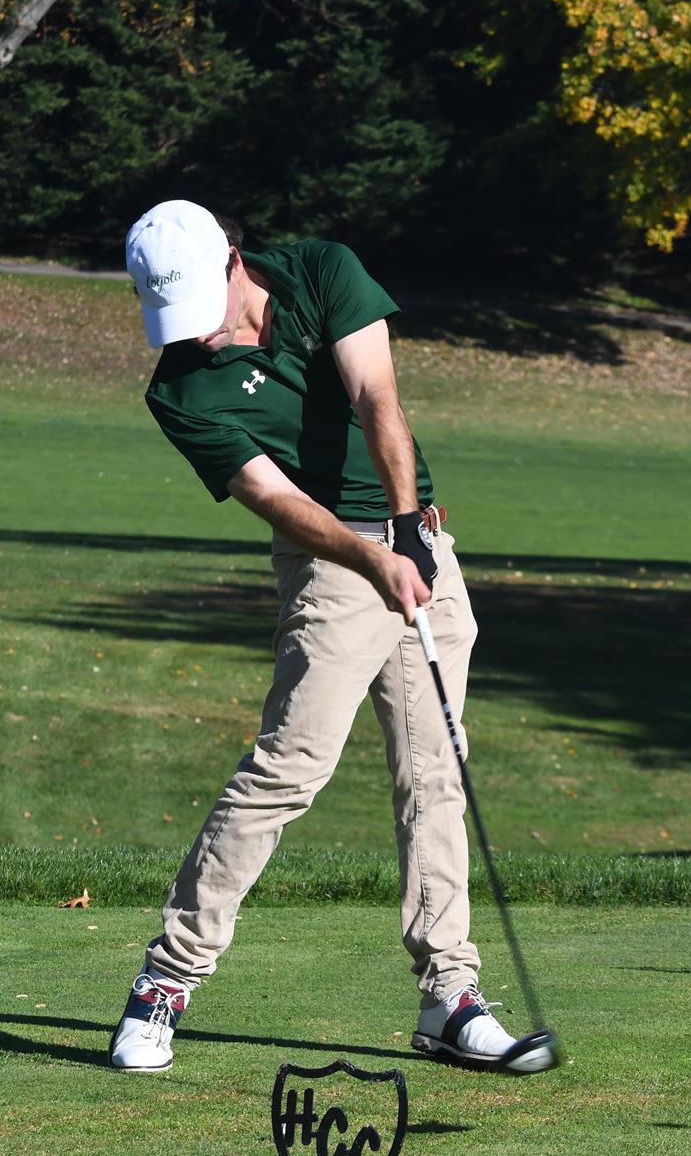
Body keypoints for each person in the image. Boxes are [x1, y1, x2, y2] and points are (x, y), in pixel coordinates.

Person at [110, 199, 549, 1075]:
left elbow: (377, 396)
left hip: (414, 534)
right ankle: (164, 983)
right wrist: (372, 555)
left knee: (434, 773)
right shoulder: (177, 390)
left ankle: (449, 999)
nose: (197, 338)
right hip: (328, 559)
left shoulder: (320, 271)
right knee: (289, 768)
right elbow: (276, 499)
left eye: (204, 310)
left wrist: (408, 533)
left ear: (236, 261)